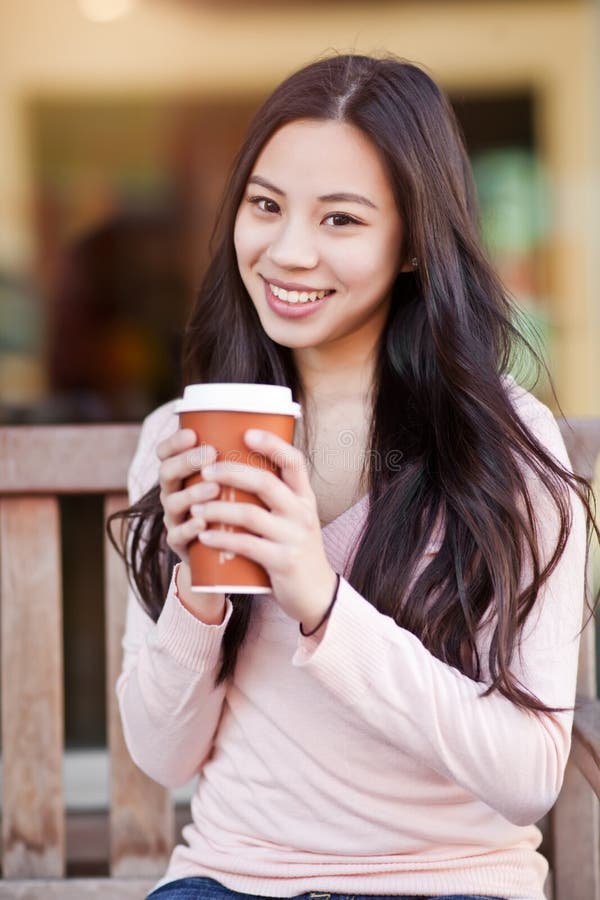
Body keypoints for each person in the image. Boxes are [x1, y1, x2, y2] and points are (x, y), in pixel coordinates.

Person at [112, 54, 596, 900]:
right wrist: (195, 595)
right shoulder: (181, 439)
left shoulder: (503, 444)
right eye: (266, 207)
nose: (289, 252)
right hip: (234, 879)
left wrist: (323, 602)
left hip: (449, 883)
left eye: (341, 221)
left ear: (413, 244)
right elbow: (162, 754)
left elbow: (529, 773)